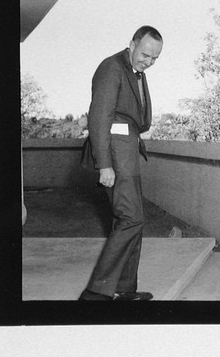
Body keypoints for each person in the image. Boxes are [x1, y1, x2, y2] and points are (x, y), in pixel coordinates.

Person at [79, 26, 163, 300]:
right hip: (115, 156)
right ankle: (96, 293)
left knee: (133, 219)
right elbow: (99, 118)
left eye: (154, 58)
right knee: (131, 219)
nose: (148, 62)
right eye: (145, 54)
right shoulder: (111, 67)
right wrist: (104, 164)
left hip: (128, 153)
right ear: (132, 44)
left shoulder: (135, 71)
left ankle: (125, 289)